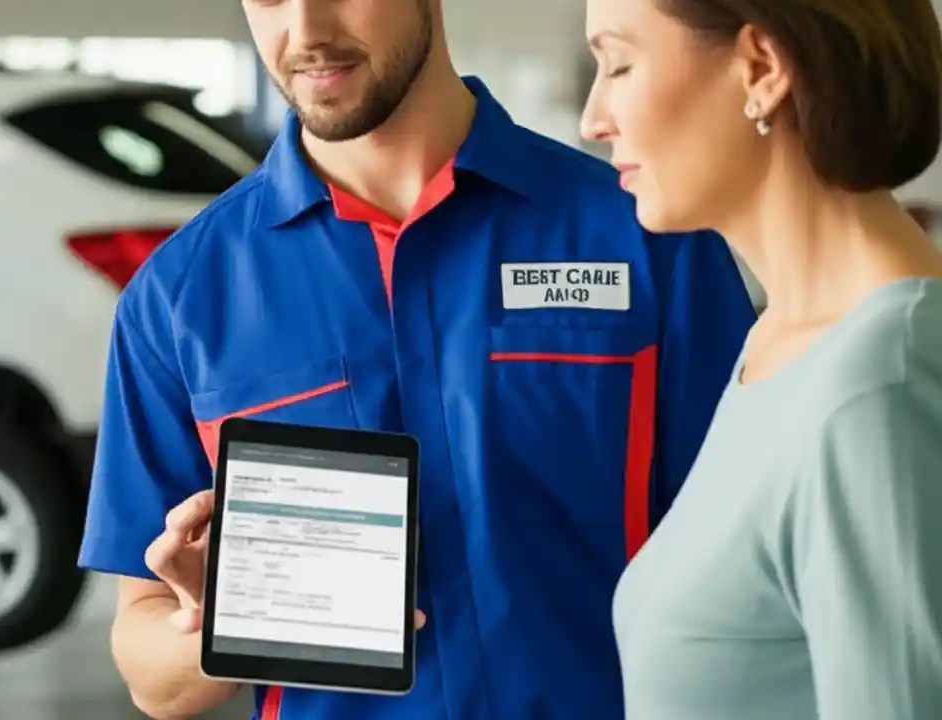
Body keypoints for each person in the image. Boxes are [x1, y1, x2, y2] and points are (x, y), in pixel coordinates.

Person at [79, 0, 756, 718]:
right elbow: (150, 669)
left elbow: (754, 569)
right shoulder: (180, 296)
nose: (306, 32)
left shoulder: (647, 236)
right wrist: (254, 620)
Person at [580, 0, 942, 718]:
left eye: (619, 64)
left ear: (762, 68)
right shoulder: (779, 343)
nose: (594, 119)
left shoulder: (872, 390)